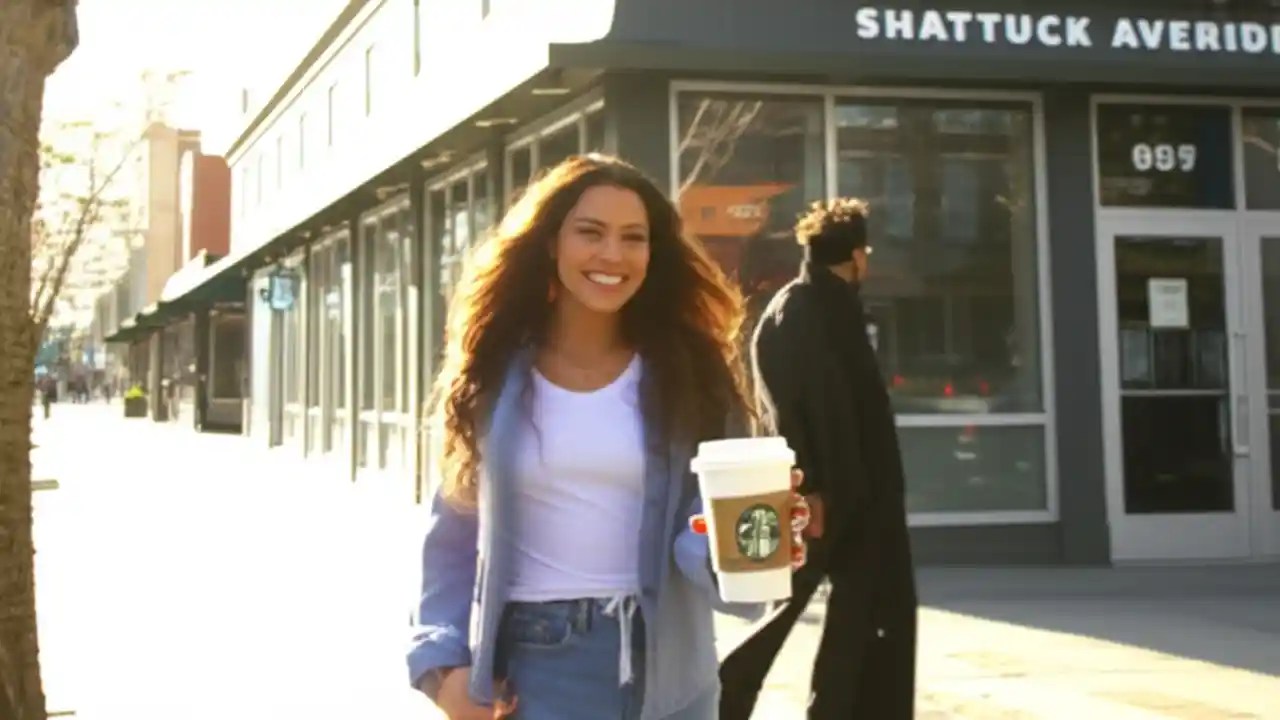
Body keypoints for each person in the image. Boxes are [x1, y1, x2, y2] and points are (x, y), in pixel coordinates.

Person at [405, 154, 815, 720]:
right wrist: (439, 668)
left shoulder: (692, 375)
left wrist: (753, 538)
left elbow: (704, 533)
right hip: (540, 670)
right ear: (551, 243)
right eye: (590, 233)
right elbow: (453, 534)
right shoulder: (493, 378)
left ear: (653, 253)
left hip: (673, 673)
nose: (612, 256)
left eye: (633, 238)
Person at [719, 198, 918, 719]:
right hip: (838, 494)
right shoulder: (809, 309)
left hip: (850, 491)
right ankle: (725, 693)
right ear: (857, 255)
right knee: (808, 609)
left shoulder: (817, 305)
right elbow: (790, 405)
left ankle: (830, 708)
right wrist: (808, 490)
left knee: (856, 614)